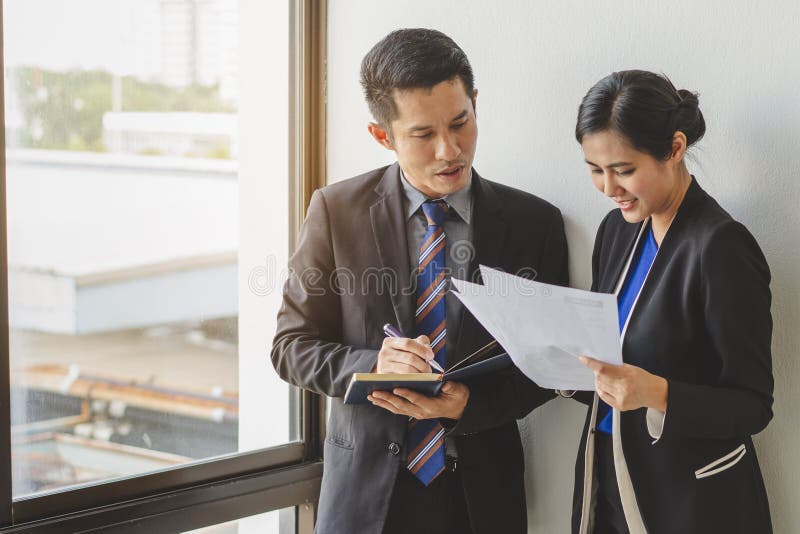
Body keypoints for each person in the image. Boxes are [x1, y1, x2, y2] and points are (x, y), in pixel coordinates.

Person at [271, 29, 568, 534]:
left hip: (480, 499)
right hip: (364, 501)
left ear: (475, 103)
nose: (449, 150)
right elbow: (289, 347)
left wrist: (472, 405)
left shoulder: (533, 222)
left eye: (461, 122)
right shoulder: (336, 211)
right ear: (383, 136)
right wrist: (373, 364)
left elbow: (551, 362)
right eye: (423, 135)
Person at [569, 70, 773, 533]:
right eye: (595, 169)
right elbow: (616, 358)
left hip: (692, 502)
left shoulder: (721, 247)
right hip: (612, 478)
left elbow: (753, 405)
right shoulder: (616, 230)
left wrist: (655, 392)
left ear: (675, 149)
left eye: (623, 170)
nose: (607, 188)